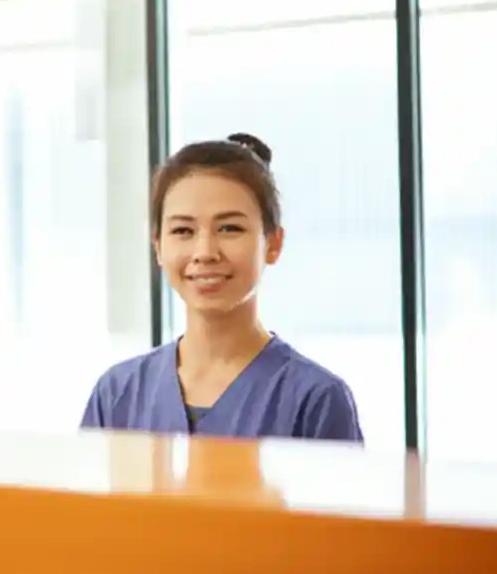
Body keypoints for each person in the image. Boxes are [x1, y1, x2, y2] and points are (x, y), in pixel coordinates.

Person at [80, 133, 363, 442]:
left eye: (229, 228)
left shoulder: (316, 400)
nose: (205, 252)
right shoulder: (117, 395)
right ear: (158, 246)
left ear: (273, 243)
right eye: (183, 230)